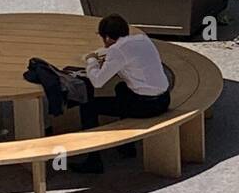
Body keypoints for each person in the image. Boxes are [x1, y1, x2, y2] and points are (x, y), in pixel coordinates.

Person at [70, 14, 172, 173]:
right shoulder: (142, 39)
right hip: (164, 98)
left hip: (146, 105)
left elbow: (97, 81)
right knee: (121, 88)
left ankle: (93, 160)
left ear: (108, 38)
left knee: (88, 106)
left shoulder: (117, 51)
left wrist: (91, 61)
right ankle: (127, 146)